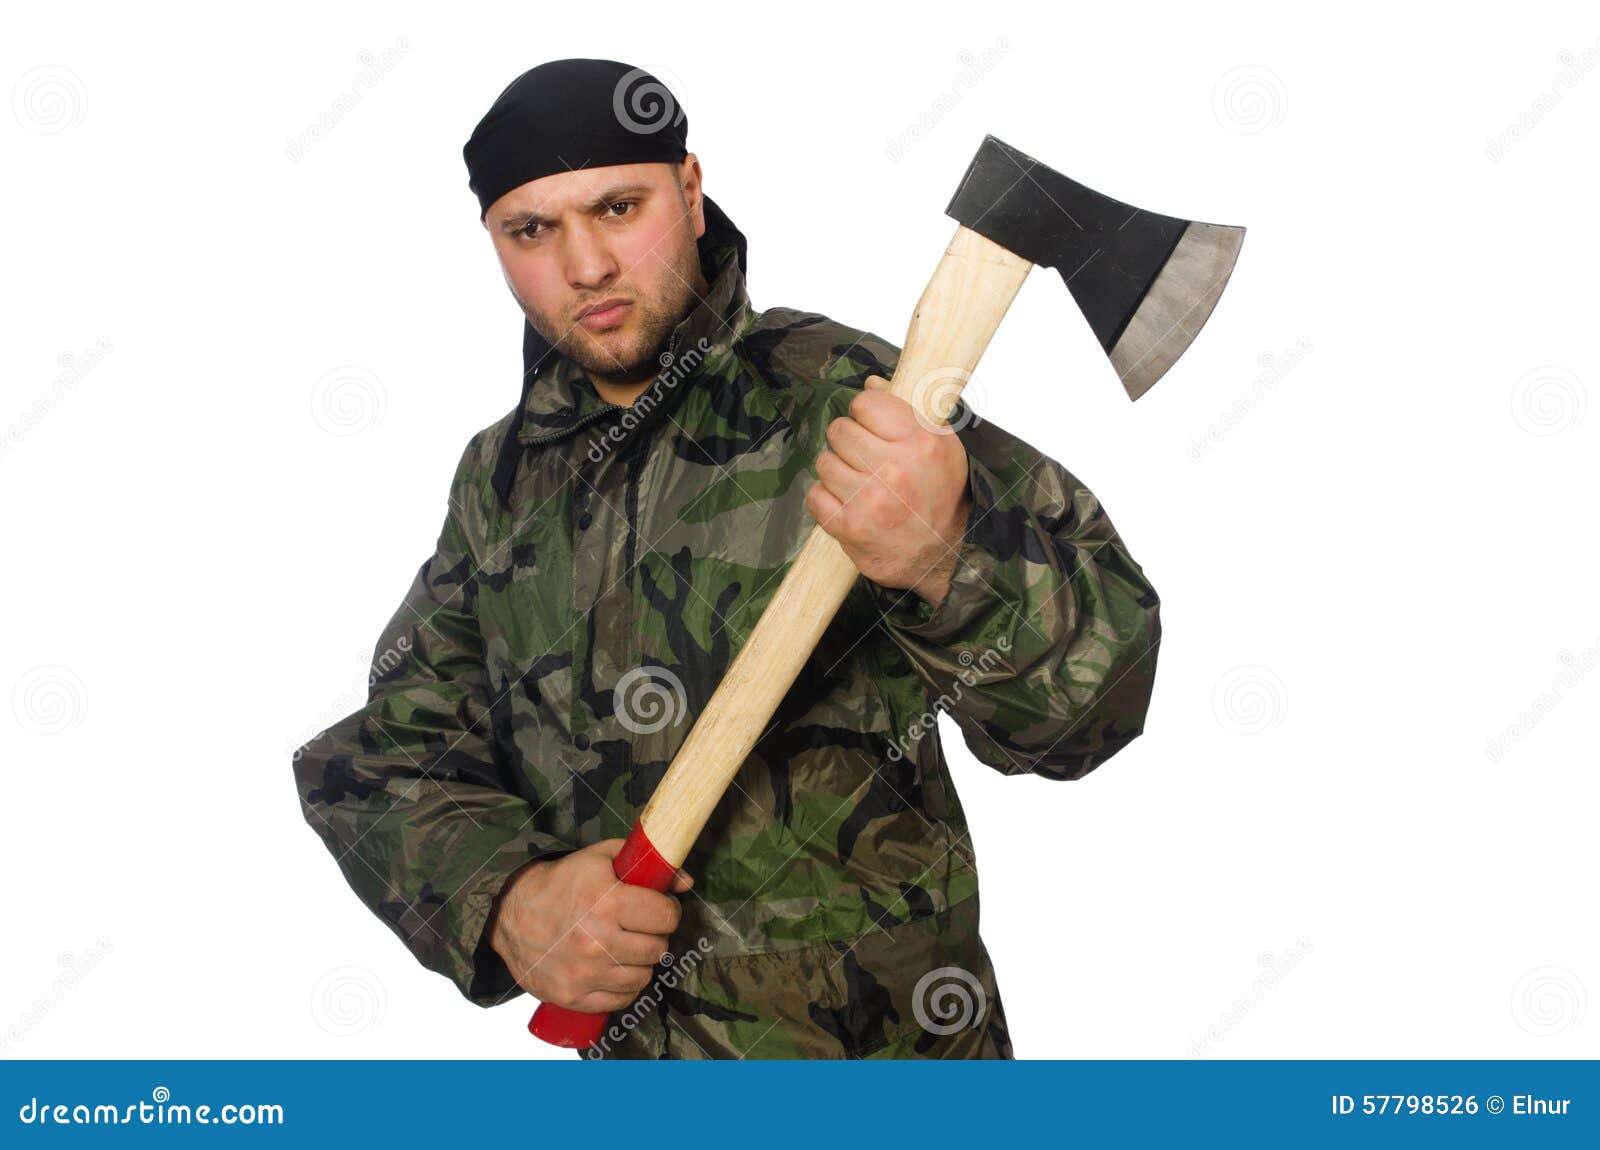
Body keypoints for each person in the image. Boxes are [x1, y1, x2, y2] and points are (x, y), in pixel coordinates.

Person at [291, 58, 1162, 1059]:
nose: (585, 266)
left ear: (692, 193)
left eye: (619, 207)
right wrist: (509, 901)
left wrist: (945, 556)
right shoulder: (502, 479)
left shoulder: (853, 401)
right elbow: (387, 756)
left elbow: (1091, 713)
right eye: (532, 229)